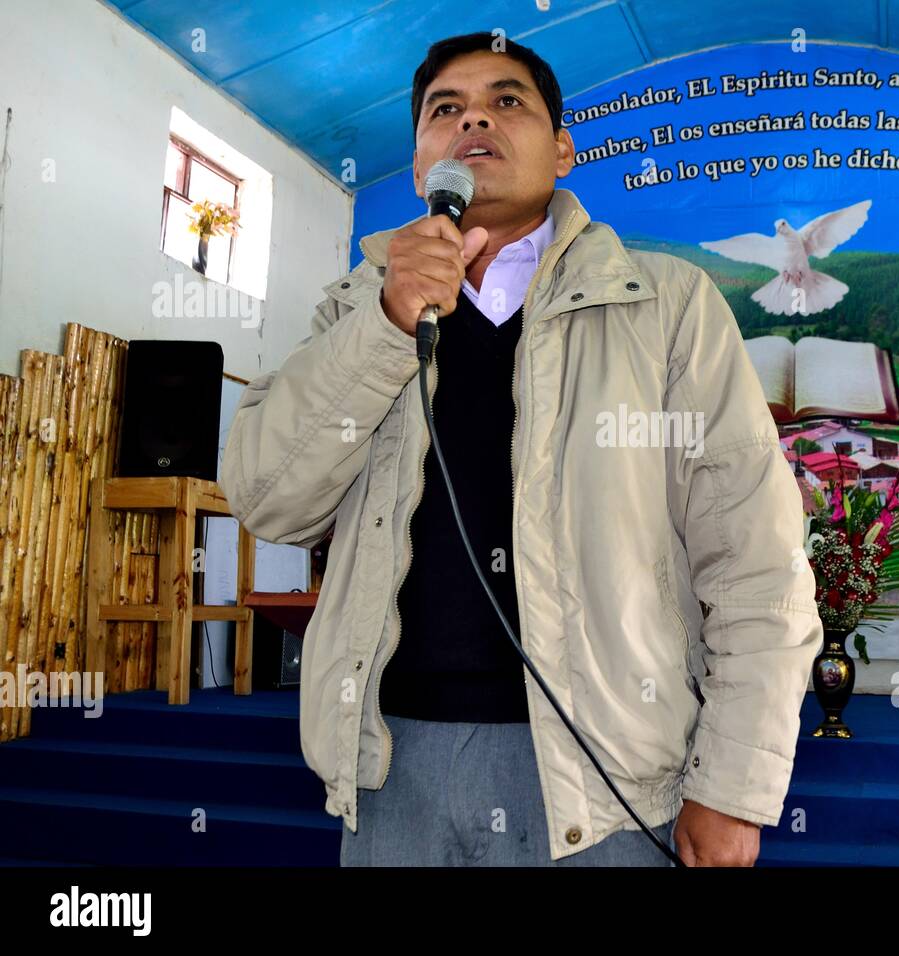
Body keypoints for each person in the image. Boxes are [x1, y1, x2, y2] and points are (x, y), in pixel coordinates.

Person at [220, 31, 821, 867]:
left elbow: (759, 562)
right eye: (446, 109)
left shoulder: (666, 305)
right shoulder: (357, 310)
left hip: (604, 780)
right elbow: (268, 497)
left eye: (508, 102)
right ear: (423, 154)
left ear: (563, 147)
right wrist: (387, 327)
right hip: (393, 770)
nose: (475, 122)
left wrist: (731, 785)